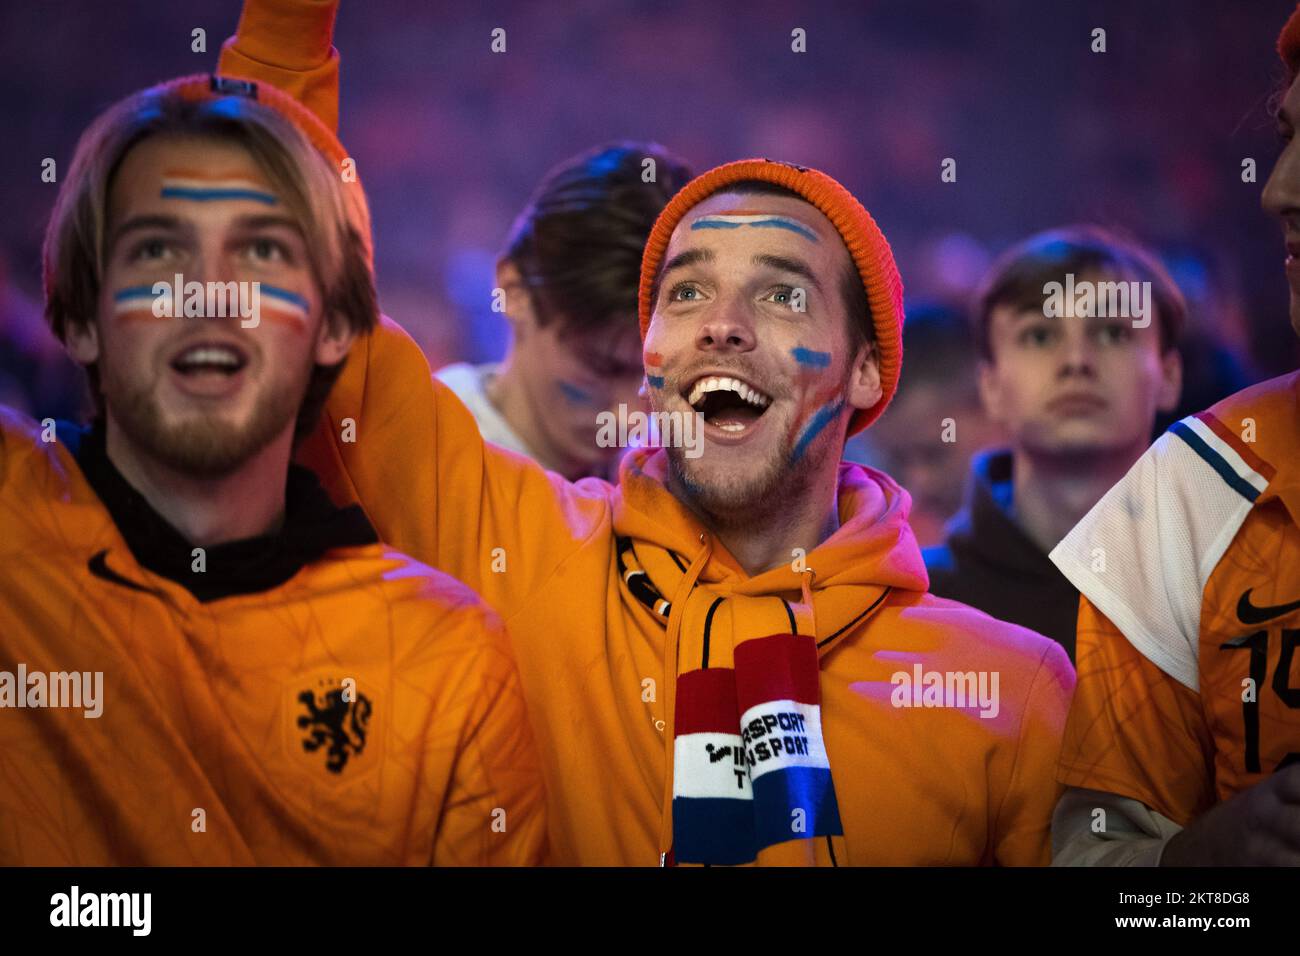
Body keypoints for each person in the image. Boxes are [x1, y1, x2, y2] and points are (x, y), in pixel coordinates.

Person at [236, 0, 1072, 868]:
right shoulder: (519, 552)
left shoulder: (1010, 694)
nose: (723, 324)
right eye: (686, 292)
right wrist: (288, 32)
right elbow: (291, 283)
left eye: (783, 293)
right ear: (652, 358)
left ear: (867, 372)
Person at [0, 65, 544, 866]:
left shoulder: (447, 664)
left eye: (259, 251)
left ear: (334, 329)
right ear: (78, 317)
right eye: (158, 250)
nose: (211, 294)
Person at [1048, 6, 1300, 865]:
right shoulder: (1193, 488)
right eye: (1285, 136)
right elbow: (1099, 868)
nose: (1277, 189)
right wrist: (1201, 868)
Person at [925, 227, 1185, 659]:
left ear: (1169, 376)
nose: (1076, 361)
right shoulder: (923, 602)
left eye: (1113, 333)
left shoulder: (1224, 581)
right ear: (989, 385)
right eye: (1040, 336)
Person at [435, 142, 694, 480]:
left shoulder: (666, 476)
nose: (629, 418)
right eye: (599, 367)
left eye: (655, 380)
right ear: (515, 291)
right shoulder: (425, 455)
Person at [860, 302, 1003, 547]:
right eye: (897, 463)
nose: (919, 485)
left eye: (935, 455)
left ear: (993, 402)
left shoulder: (1077, 526)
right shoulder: (903, 546)